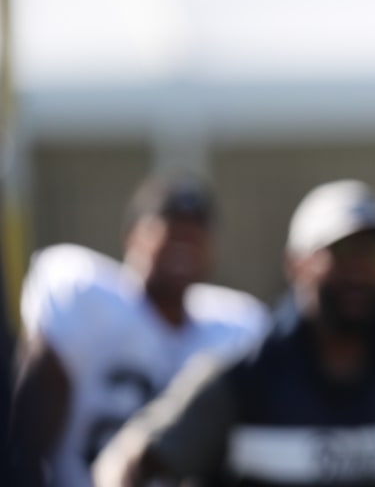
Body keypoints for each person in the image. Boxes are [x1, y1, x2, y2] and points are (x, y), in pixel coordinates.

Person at [92, 179, 375, 487]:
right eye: (343, 252)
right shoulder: (242, 377)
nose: (360, 270)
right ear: (296, 263)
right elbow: (126, 460)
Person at [9, 172, 269, 487]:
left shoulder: (238, 326)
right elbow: (26, 431)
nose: (183, 243)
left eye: (195, 233)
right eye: (169, 229)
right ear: (131, 235)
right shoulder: (86, 295)